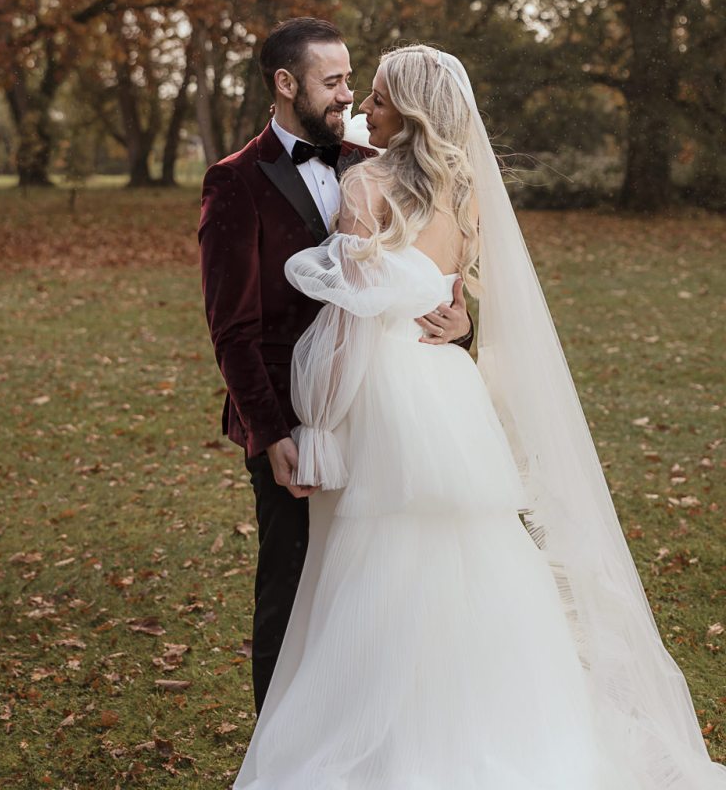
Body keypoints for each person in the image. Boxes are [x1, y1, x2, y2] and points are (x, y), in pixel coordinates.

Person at [233, 44, 726, 790]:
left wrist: (317, 424)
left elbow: (348, 327)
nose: (364, 109)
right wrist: (458, 326)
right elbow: (460, 294)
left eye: (377, 98)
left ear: (409, 110)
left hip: (385, 393)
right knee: (473, 553)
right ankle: (497, 723)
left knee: (376, 561)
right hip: (447, 395)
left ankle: (386, 734)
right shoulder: (464, 193)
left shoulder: (365, 184)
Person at [197, 20, 473, 714]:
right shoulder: (234, 182)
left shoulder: (377, 163)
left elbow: (439, 281)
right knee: (290, 585)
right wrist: (273, 433)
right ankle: (278, 743)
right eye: (335, 82)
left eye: (355, 81)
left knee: (378, 583)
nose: (349, 96)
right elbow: (232, 327)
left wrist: (464, 325)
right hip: (291, 419)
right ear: (286, 85)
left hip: (387, 415)